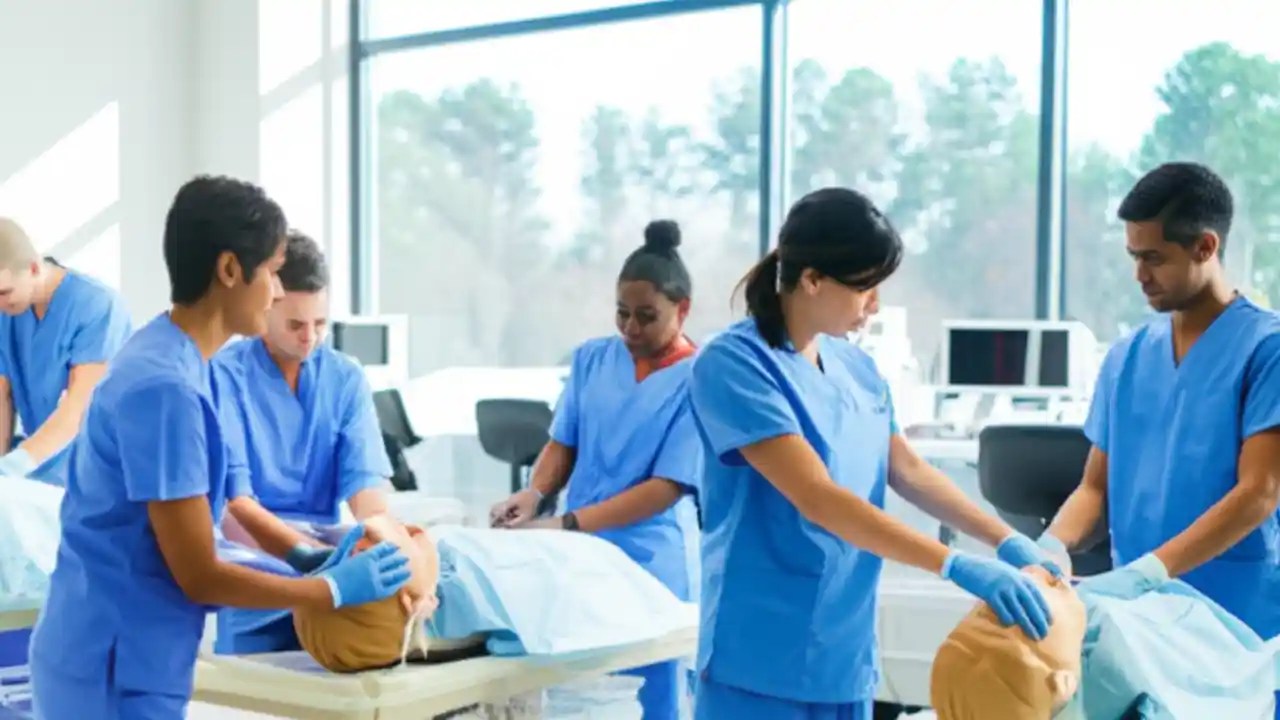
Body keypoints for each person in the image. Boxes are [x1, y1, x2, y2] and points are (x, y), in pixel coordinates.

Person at [27, 175, 412, 719]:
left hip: (133, 655)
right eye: (275, 273)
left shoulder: (180, 360)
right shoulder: (166, 388)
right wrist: (326, 590)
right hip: (109, 664)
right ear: (231, 270)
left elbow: (199, 522)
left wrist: (302, 558)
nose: (279, 293)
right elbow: (198, 571)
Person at [688, 187, 1061, 720]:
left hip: (844, 653)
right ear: (812, 279)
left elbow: (906, 469)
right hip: (759, 657)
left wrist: (1004, 540)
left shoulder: (856, 369)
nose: (875, 305)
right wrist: (954, 565)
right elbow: (818, 498)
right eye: (865, 287)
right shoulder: (734, 365)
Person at [1036, 162, 1280, 713]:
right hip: (1143, 631)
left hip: (1237, 626)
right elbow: (1093, 490)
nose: (1139, 274)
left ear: (1205, 246)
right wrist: (1049, 546)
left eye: (1153, 258)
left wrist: (1149, 572)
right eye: (1133, 257)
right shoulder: (1126, 357)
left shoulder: (1267, 350)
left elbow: (1260, 491)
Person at [488, 220, 703, 720]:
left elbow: (665, 487)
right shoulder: (592, 359)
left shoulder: (700, 379)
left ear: (682, 308)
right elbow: (564, 443)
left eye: (646, 316)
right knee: (578, 692)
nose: (630, 328)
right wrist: (534, 495)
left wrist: (565, 523)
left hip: (652, 561)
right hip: (579, 556)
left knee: (652, 697)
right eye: (622, 314)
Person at [212, 228, 396, 653]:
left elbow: (366, 490)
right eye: (295, 324)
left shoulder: (344, 378)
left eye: (320, 323)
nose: (309, 337)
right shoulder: (223, 376)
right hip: (255, 557)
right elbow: (235, 509)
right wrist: (315, 561)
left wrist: (383, 545)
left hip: (327, 547)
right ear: (264, 310)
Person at [0, 218, 131, 485]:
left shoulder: (97, 306)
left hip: (100, 474)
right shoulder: (8, 314)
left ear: (34, 268)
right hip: (40, 468)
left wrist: (15, 465)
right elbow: (2, 396)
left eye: (4, 292)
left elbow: (80, 405)